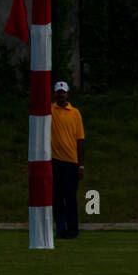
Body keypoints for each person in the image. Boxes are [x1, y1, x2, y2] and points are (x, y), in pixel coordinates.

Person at [51, 81, 86, 240]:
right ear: (55, 94)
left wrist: (81, 165)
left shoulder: (75, 113)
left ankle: (73, 230)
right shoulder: (50, 110)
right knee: (57, 198)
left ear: (67, 94)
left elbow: (80, 140)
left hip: (71, 161)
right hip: (54, 160)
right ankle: (60, 229)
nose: (61, 94)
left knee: (70, 198)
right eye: (58, 92)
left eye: (63, 92)